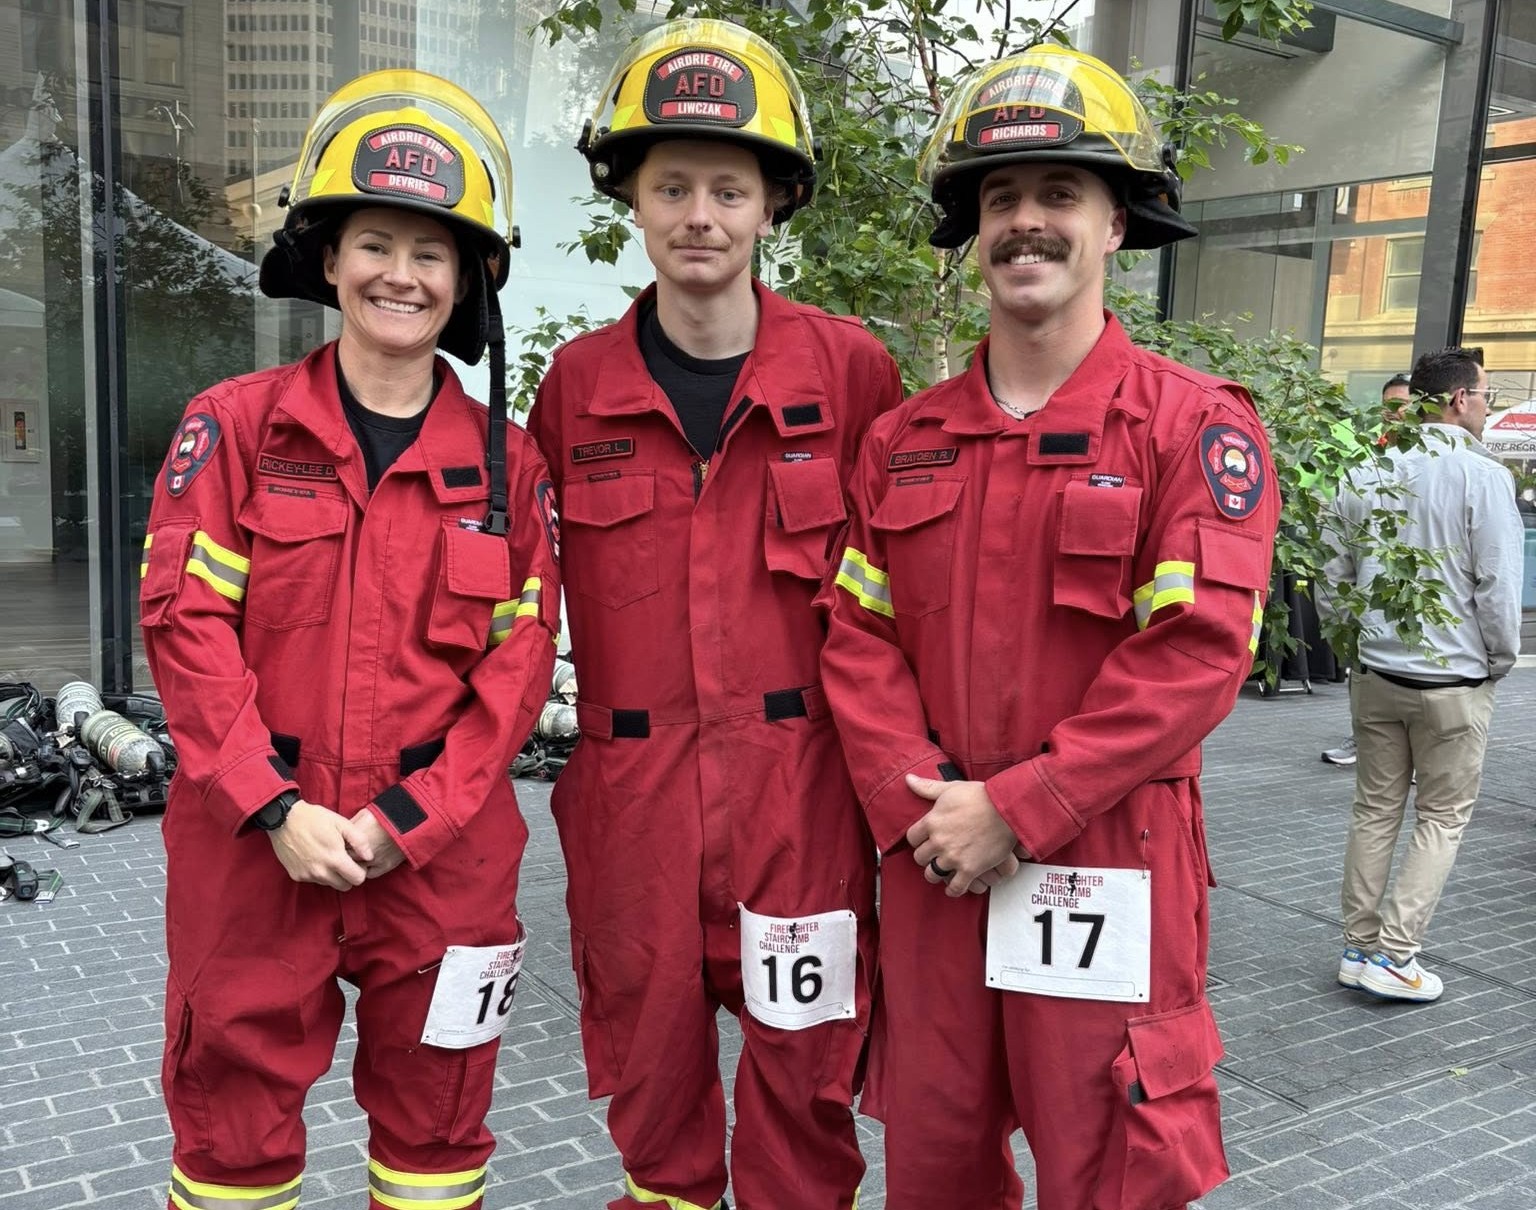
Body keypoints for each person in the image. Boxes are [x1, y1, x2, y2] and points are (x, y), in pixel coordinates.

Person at [818, 46, 1279, 1210]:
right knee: (935, 1155)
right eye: (1002, 198)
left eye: (1059, 194)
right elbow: (856, 638)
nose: (1027, 222)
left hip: (1107, 859)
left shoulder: (1190, 433)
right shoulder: (903, 441)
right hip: (937, 860)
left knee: (1109, 1166)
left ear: (1117, 223)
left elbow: (1195, 655)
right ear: (974, 231)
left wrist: (1017, 810)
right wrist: (925, 806)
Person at [140, 71, 559, 1210]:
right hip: (253, 850)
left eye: (433, 254)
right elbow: (185, 631)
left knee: (437, 1135)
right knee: (231, 1136)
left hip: (438, 863)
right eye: (376, 242)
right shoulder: (232, 428)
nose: (401, 274)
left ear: (466, 280)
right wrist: (273, 808)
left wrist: (401, 824)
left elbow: (516, 675)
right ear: (327, 259)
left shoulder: (510, 468)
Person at [526, 19, 902, 1210]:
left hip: (803, 803)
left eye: (728, 188)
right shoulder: (575, 387)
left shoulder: (852, 374)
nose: (700, 213)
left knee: (805, 1093)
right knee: (654, 1100)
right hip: (632, 809)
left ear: (771, 206)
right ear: (631, 201)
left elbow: (903, 605)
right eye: (672, 184)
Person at [1324, 346, 1523, 1002]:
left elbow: (1333, 575)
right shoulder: (1483, 476)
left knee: (1375, 808)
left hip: (1378, 671)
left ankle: (1358, 946)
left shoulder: (1365, 468)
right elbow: (1496, 584)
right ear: (1459, 399)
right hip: (1452, 679)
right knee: (1441, 817)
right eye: (1486, 394)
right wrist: (1501, 658)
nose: (1488, 406)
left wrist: (1351, 643)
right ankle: (1396, 954)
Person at [1321, 371, 1416, 766]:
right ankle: (1363, 740)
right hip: (1368, 597)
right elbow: (1334, 551)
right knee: (1365, 678)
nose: (1394, 415)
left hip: (1416, 599)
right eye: (1388, 406)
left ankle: (1415, 755)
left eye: (1404, 406)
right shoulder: (1363, 465)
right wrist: (1339, 618)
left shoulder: (1431, 467)